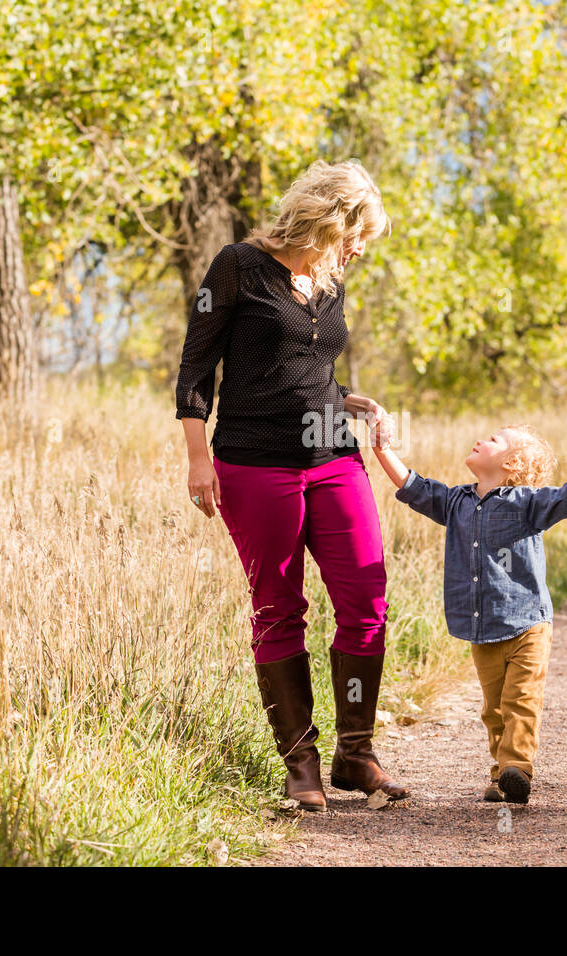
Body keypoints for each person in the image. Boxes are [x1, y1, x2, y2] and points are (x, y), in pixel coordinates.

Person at [174, 159, 408, 811]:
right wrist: (197, 457)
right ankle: (299, 763)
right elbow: (197, 368)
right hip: (253, 461)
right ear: (334, 219)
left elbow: (307, 362)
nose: (362, 248)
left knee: (366, 600)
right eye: (360, 233)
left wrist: (347, 400)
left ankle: (355, 754)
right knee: (279, 606)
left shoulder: (332, 281)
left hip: (334, 453)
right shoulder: (237, 266)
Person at [372, 424, 567, 804]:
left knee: (522, 700)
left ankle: (517, 767)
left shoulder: (526, 503)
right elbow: (415, 488)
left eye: (493, 440)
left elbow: (565, 499)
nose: (480, 439)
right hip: (482, 627)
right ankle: (501, 775)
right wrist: (381, 450)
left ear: (510, 463)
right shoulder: (455, 502)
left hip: (527, 623)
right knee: (494, 710)